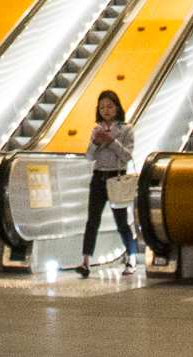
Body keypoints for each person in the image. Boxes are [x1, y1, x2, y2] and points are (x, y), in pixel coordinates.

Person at [74, 90, 138, 276]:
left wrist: (111, 141)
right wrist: (95, 142)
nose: (106, 110)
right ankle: (85, 261)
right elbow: (88, 156)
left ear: (117, 107)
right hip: (98, 177)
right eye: (102, 107)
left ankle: (131, 259)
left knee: (121, 222)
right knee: (92, 221)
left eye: (110, 106)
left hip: (116, 177)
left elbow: (127, 155)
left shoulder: (126, 129)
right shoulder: (96, 129)